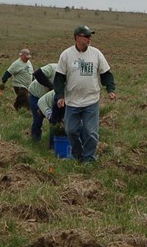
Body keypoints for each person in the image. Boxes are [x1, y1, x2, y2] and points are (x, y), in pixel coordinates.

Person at [53, 26, 116, 163]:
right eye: (86, 36)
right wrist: (60, 96)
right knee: (71, 131)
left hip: (91, 100)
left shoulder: (96, 54)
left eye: (90, 37)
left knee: (90, 132)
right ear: (77, 37)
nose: (89, 39)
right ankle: (78, 155)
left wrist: (110, 89)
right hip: (72, 101)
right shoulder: (66, 55)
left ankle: (89, 159)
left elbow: (106, 74)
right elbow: (59, 78)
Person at [26, 62, 58, 142]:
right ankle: (35, 140)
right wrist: (50, 86)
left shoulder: (71, 76)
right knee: (38, 119)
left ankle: (53, 144)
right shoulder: (52, 68)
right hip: (36, 95)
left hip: (51, 99)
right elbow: (37, 73)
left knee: (54, 120)